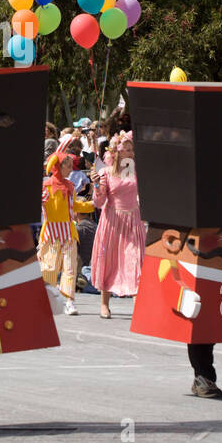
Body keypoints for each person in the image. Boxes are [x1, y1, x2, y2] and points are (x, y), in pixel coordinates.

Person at [89, 131, 144, 318]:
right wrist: (96, 185)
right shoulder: (105, 172)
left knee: (135, 260)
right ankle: (104, 304)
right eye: (126, 150)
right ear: (117, 152)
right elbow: (98, 202)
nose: (131, 153)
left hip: (133, 221)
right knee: (110, 261)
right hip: (112, 221)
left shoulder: (134, 170)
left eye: (131, 149)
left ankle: (139, 307)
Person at [39, 147, 96, 315]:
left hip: (69, 233)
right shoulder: (46, 186)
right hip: (51, 233)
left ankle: (70, 301)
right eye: (68, 166)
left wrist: (92, 204)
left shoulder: (70, 186)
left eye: (71, 166)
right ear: (58, 166)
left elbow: (75, 206)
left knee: (70, 267)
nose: (71, 169)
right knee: (49, 268)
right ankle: (47, 300)